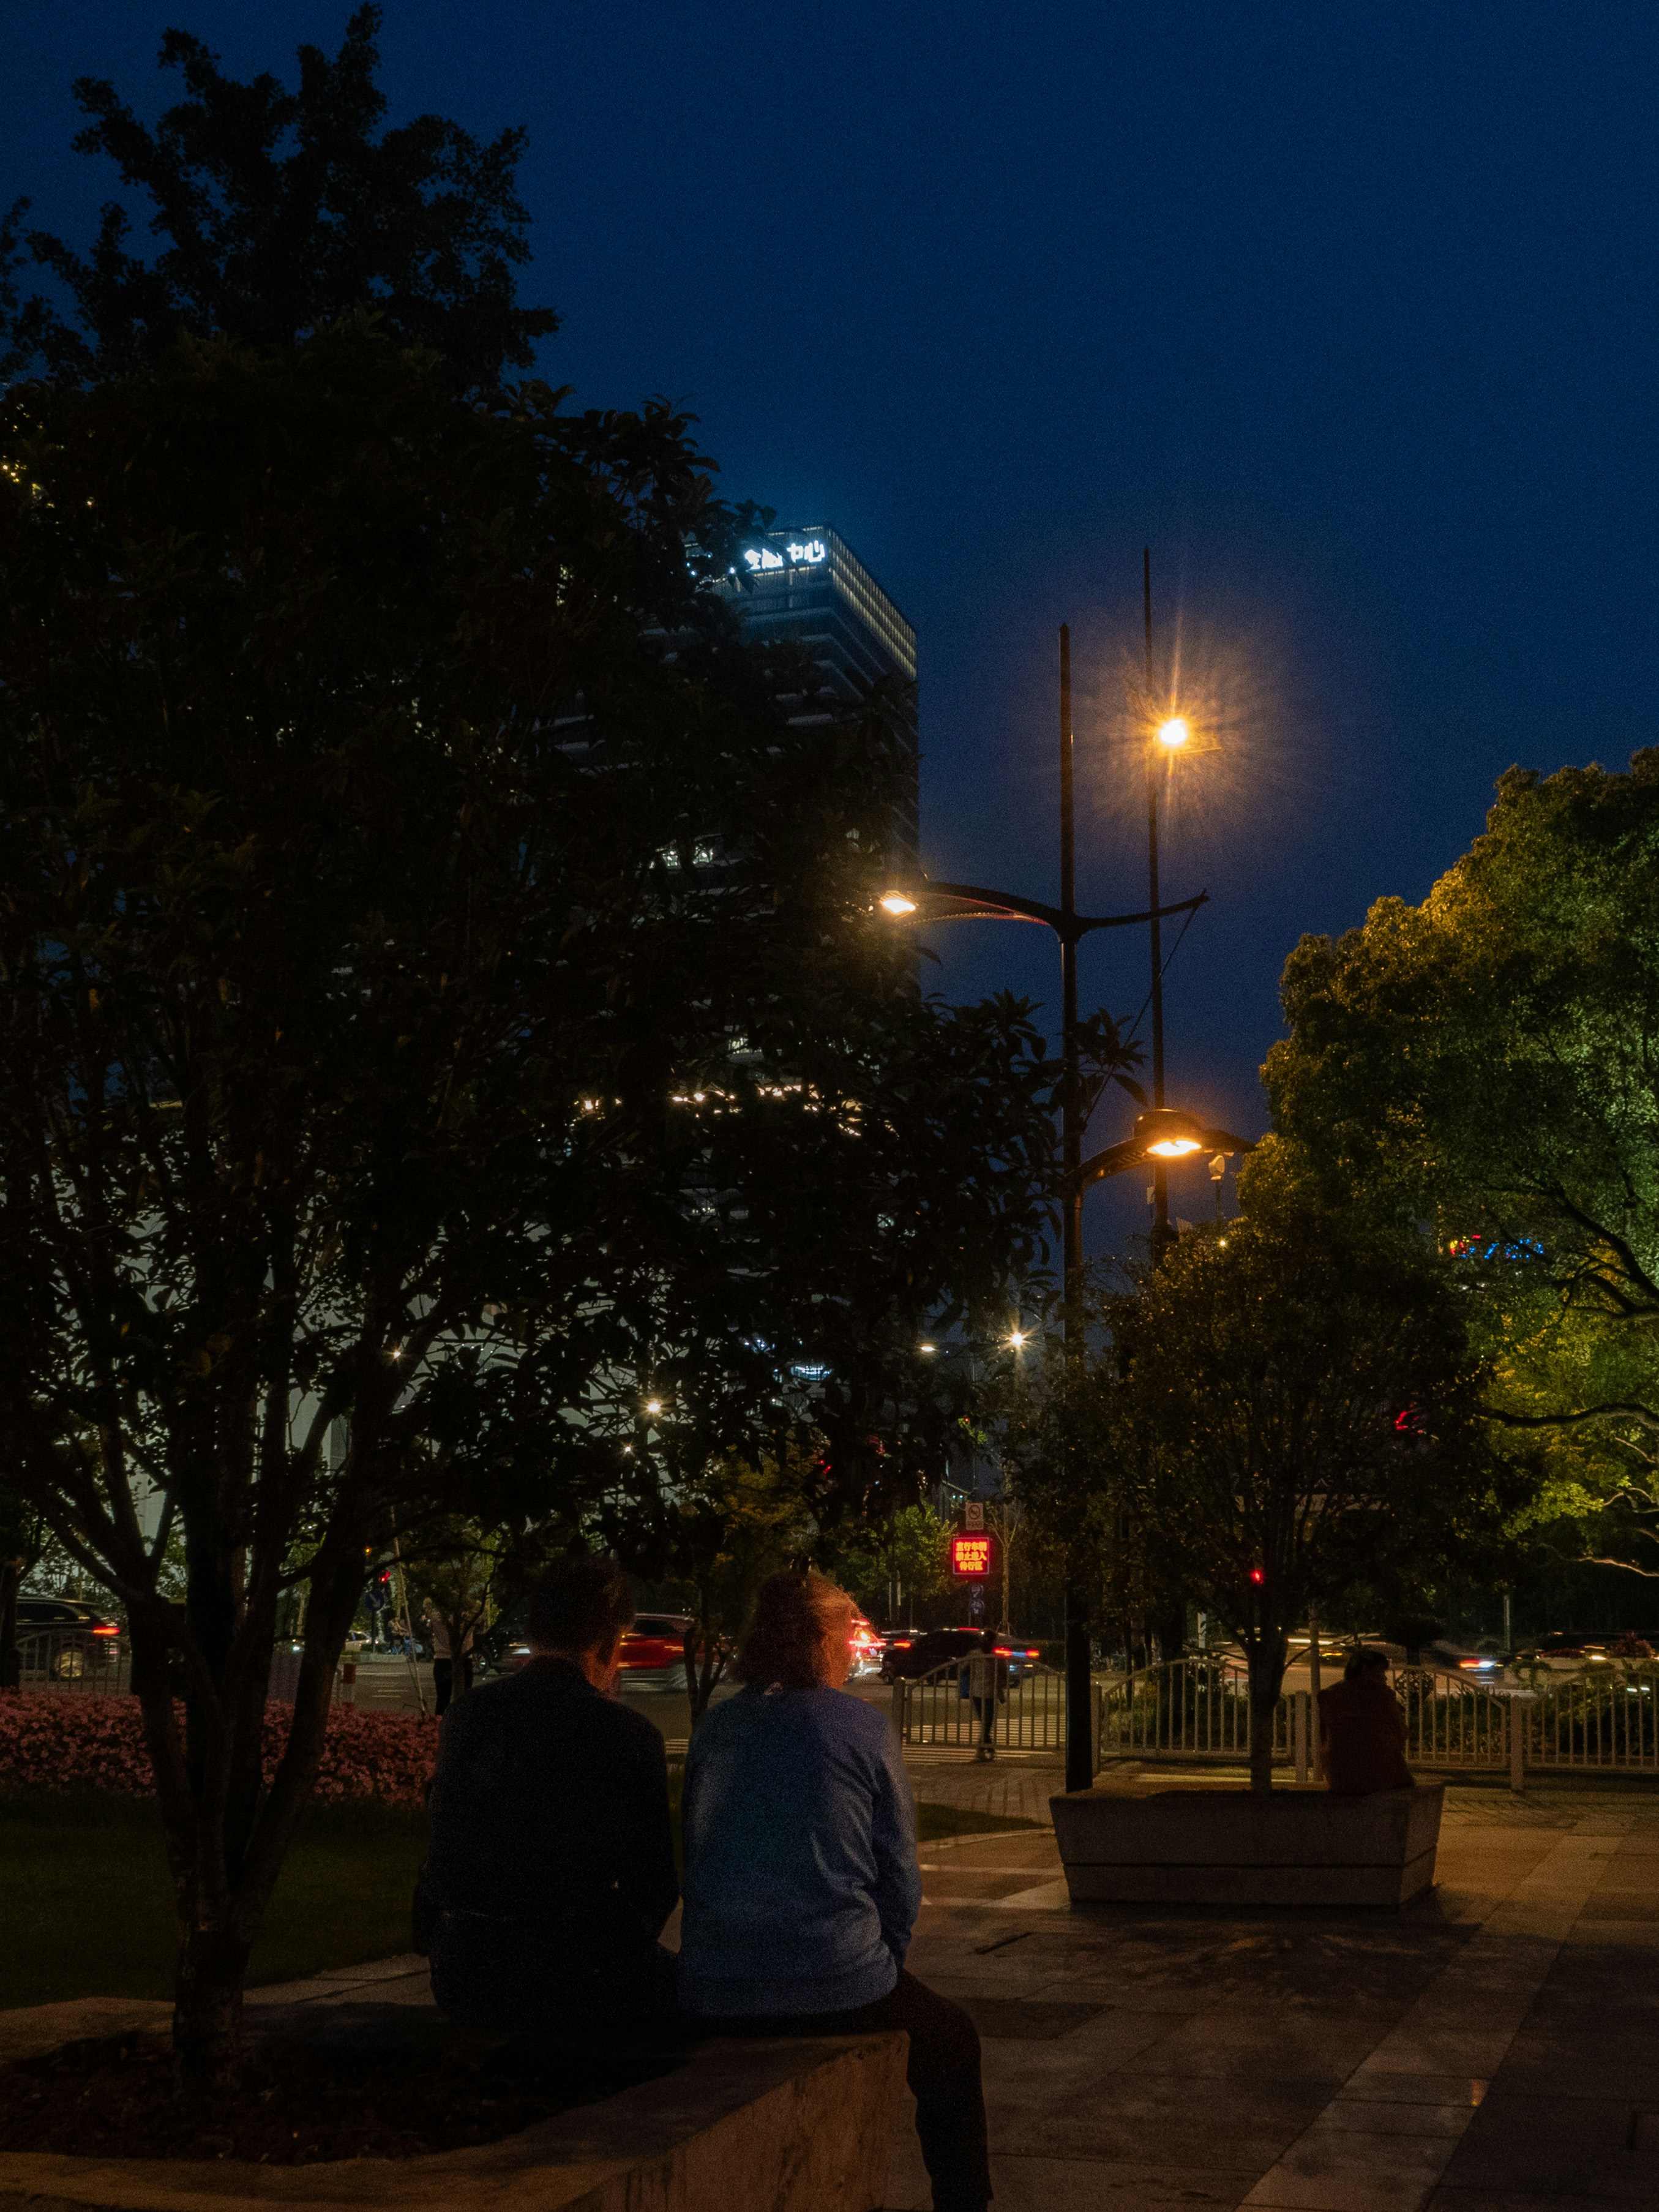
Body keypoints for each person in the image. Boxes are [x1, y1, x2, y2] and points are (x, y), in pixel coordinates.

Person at [679, 1571, 991, 2212]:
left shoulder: (717, 1728)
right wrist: (882, 1959)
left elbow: (696, 1846)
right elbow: (897, 1870)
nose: (853, 1650)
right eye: (843, 1635)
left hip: (716, 1977)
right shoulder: (860, 1727)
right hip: (833, 1973)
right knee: (952, 2040)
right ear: (815, 1640)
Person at [424, 1556, 678, 2034]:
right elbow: (654, 1885)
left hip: (462, 1964)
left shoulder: (467, 1715)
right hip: (571, 1971)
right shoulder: (625, 1733)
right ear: (608, 1643)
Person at [1319, 1646, 1415, 1794]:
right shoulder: (1382, 1697)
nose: (1385, 1678)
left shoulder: (1330, 1696)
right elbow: (1402, 1734)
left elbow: (1323, 1736)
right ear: (1366, 1671)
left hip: (1339, 1777)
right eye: (1381, 1672)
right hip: (1382, 1777)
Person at [960, 1628, 1005, 1761]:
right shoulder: (990, 1656)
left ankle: (985, 1750)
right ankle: (986, 1750)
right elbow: (999, 1676)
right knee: (987, 1723)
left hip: (982, 1693)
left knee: (986, 1723)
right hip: (984, 1693)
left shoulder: (979, 1655)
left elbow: (963, 1669)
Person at [423, 1598, 474, 1715]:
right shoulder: (469, 1615)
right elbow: (481, 1606)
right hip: (465, 1658)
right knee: (464, 1700)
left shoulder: (437, 1614)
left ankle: (440, 1727)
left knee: (443, 1700)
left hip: (442, 1659)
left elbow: (427, 1603)